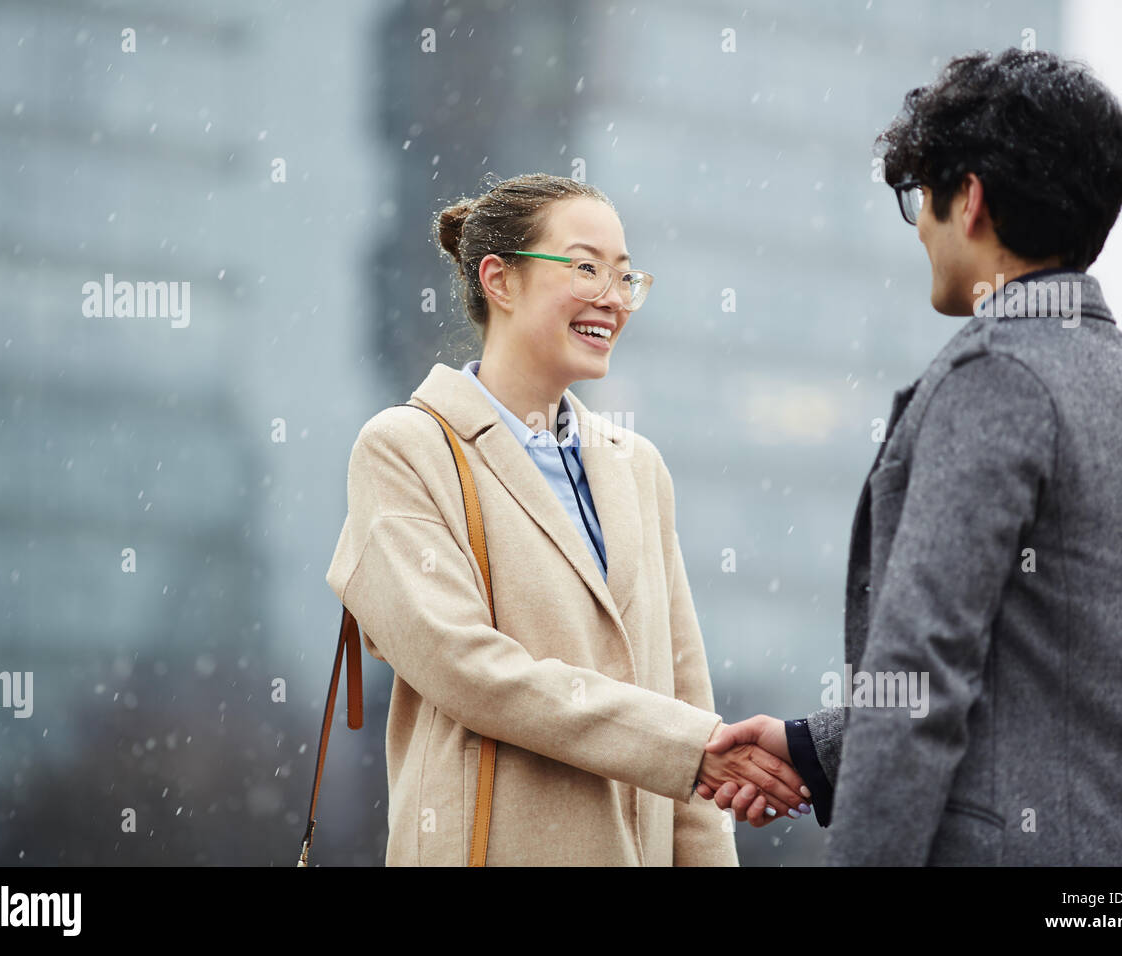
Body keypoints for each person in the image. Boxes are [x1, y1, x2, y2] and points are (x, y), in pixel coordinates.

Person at [698, 48, 1122, 865]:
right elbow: (1034, 678)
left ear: (968, 198)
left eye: (920, 199)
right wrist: (813, 747)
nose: (921, 231)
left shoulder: (998, 374)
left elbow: (925, 666)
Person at [325, 172, 811, 866]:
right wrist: (689, 750)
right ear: (499, 280)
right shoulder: (406, 449)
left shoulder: (638, 468)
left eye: (625, 277)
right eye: (586, 269)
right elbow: (468, 670)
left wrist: (700, 768)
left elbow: (683, 691)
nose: (613, 300)